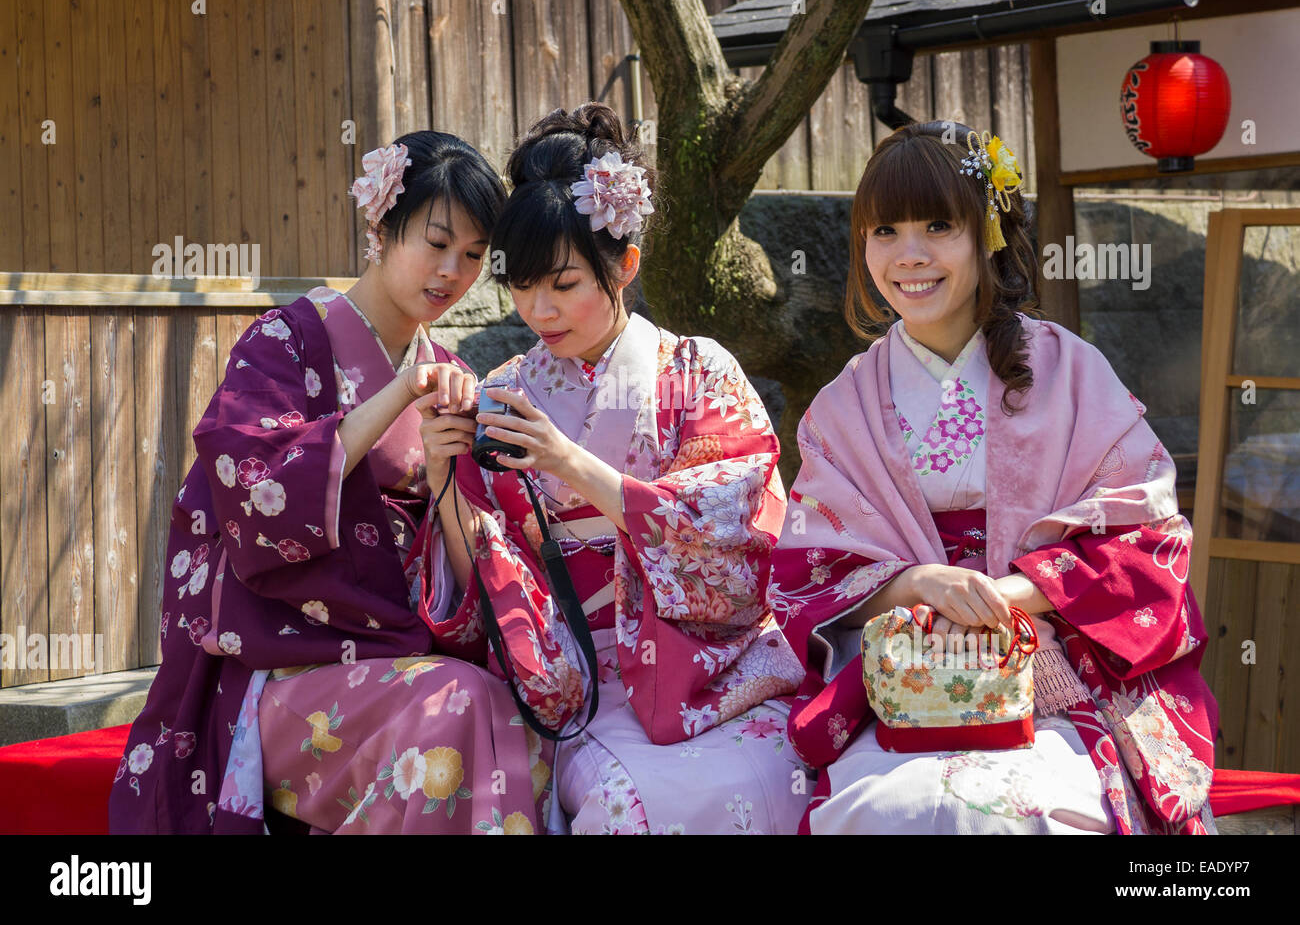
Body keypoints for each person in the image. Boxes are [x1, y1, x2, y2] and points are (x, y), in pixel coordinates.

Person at [769, 120, 1218, 835]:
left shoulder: (1072, 372)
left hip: (1052, 659)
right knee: (884, 807)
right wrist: (920, 583)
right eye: (885, 231)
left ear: (987, 234)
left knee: (1026, 813)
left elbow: (1146, 539)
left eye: (939, 225)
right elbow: (808, 573)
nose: (909, 256)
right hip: (912, 669)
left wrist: (1000, 595)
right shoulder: (843, 403)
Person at [110, 132, 549, 834]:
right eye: (435, 243)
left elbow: (455, 564)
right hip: (283, 670)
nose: (451, 271)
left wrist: (443, 480)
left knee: (512, 712)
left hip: (396, 654)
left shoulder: (444, 369)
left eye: (471, 255)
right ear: (378, 228)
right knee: (455, 705)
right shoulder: (284, 343)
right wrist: (398, 395)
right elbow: (256, 498)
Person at [416, 103, 808, 834]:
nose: (538, 308)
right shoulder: (503, 392)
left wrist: (569, 462)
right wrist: (446, 481)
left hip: (713, 673)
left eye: (563, 283)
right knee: (637, 805)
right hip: (580, 681)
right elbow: (490, 585)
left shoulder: (700, 371)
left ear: (626, 263)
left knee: (793, 776)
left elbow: (741, 530)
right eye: (522, 284)